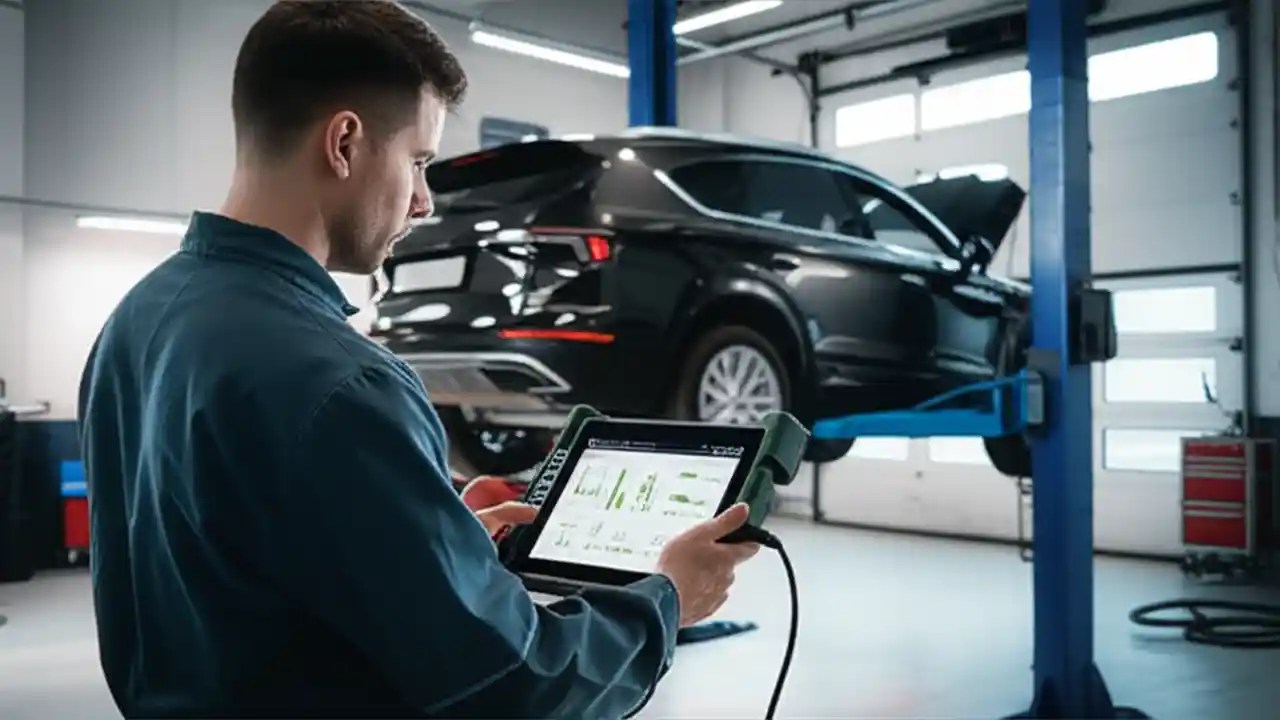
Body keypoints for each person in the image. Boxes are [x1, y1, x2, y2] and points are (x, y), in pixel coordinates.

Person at [76, 2, 760, 718]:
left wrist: (433, 541)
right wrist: (668, 600)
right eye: (419, 161)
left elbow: (239, 566)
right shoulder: (343, 384)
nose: (427, 202)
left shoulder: (137, 321)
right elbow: (515, 687)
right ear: (344, 142)